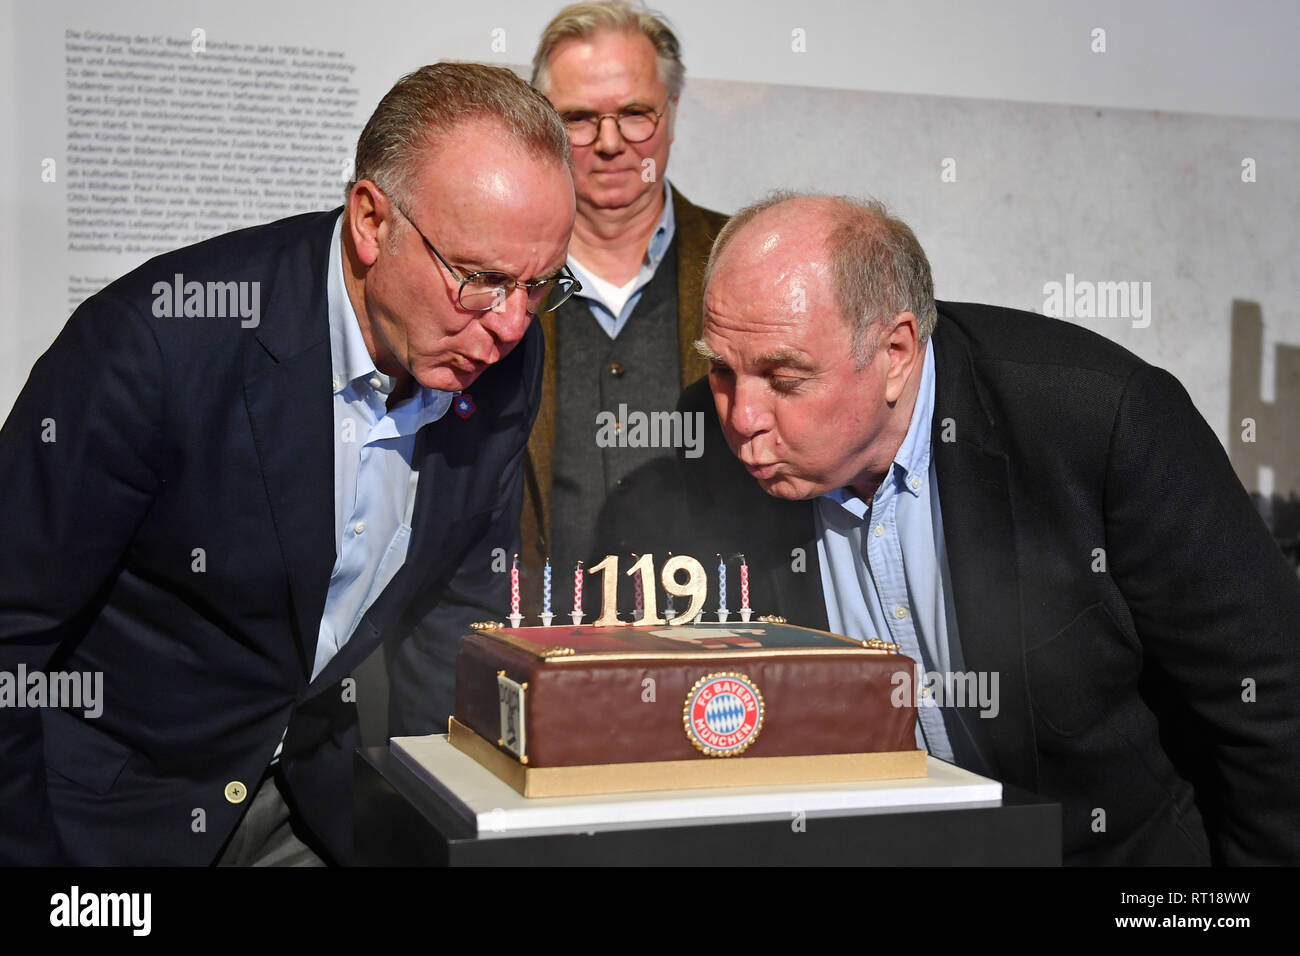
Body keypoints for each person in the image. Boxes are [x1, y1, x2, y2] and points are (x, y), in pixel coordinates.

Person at [0, 63, 578, 866]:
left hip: (308, 804)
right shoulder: (155, 347)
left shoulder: (503, 359)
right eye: (480, 280)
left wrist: (435, 832)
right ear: (372, 221)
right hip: (107, 819)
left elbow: (455, 616)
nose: (511, 324)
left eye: (539, 284)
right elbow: (13, 629)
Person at [611, 192, 1300, 865]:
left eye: (784, 379)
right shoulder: (708, 441)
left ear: (896, 352)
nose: (742, 417)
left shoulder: (1097, 420)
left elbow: (1268, 693)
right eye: (722, 368)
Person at [522, 0, 727, 591]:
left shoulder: (743, 263)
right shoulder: (494, 278)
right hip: (530, 630)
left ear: (672, 112)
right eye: (579, 118)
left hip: (713, 634)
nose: (609, 143)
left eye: (635, 113)